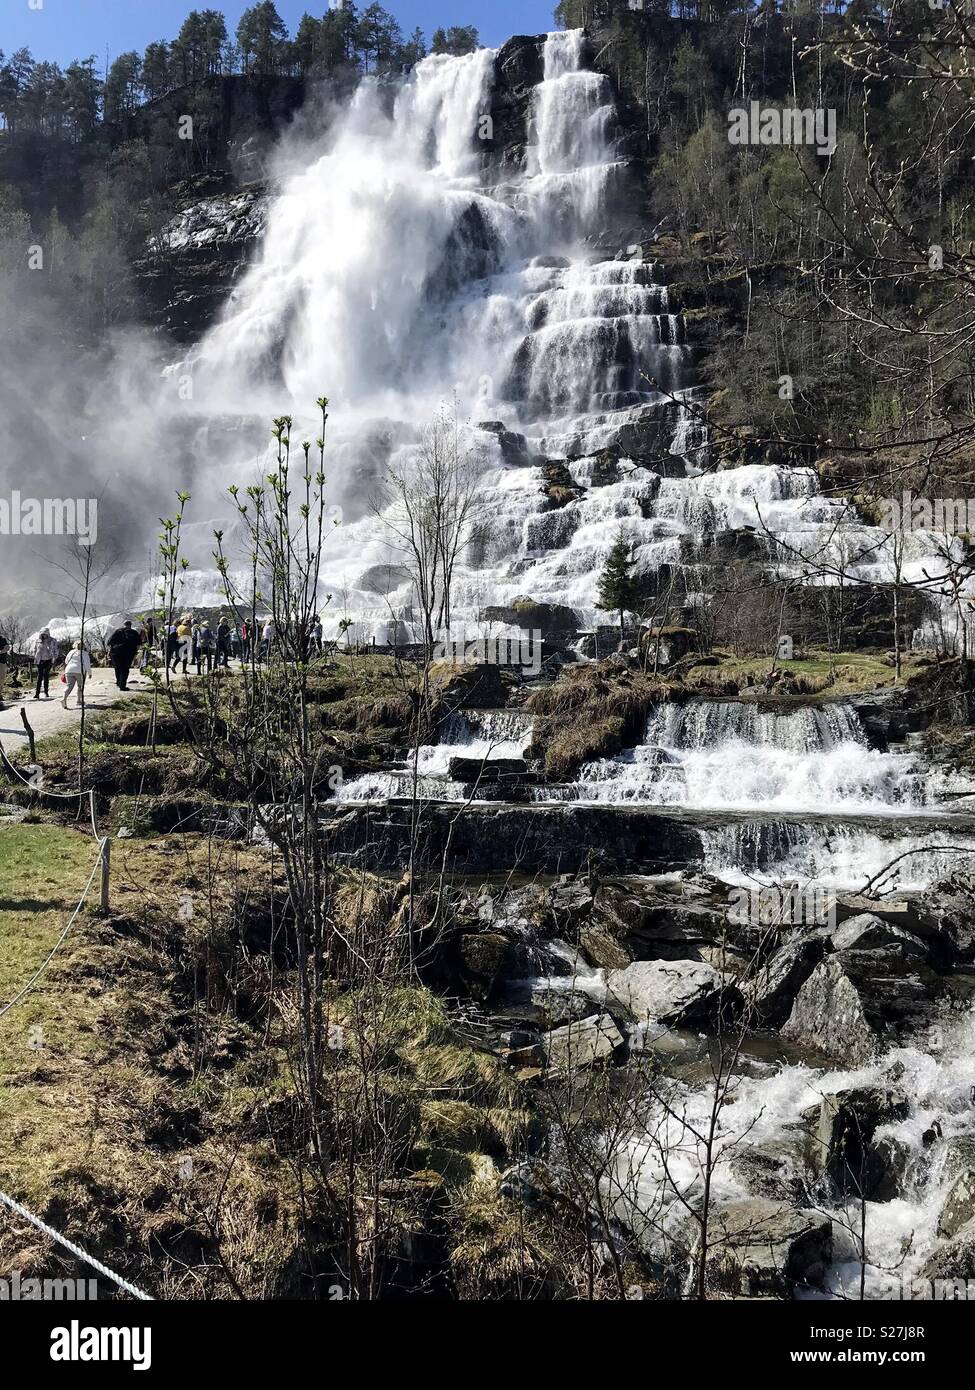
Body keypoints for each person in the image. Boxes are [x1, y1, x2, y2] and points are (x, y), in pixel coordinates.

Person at [106, 619, 142, 691]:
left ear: (124, 625)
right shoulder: (134, 633)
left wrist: (109, 652)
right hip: (128, 653)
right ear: (130, 625)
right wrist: (135, 653)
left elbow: (109, 642)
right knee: (125, 669)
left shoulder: (118, 631)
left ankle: (118, 682)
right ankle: (122, 686)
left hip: (116, 653)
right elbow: (139, 644)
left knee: (117, 668)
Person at [62, 642, 91, 709]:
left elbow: (66, 661)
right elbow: (87, 664)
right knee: (80, 686)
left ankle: (64, 699)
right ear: (83, 646)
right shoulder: (84, 653)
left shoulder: (71, 652)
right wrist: (90, 673)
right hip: (79, 671)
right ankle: (79, 700)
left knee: (69, 686)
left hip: (69, 670)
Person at [33, 629, 60, 700]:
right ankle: (37, 693)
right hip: (39, 660)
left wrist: (54, 658)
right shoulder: (38, 641)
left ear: (48, 634)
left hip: (48, 660)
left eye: (45, 634)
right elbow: (35, 649)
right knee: (39, 677)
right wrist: (35, 657)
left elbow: (56, 650)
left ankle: (46, 692)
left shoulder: (53, 640)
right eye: (42, 634)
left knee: (46, 676)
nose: (44, 635)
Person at [0, 634, 9, 710]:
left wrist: (0, 651)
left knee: (2, 678)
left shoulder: (3, 639)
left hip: (2, 662)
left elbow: (7, 648)